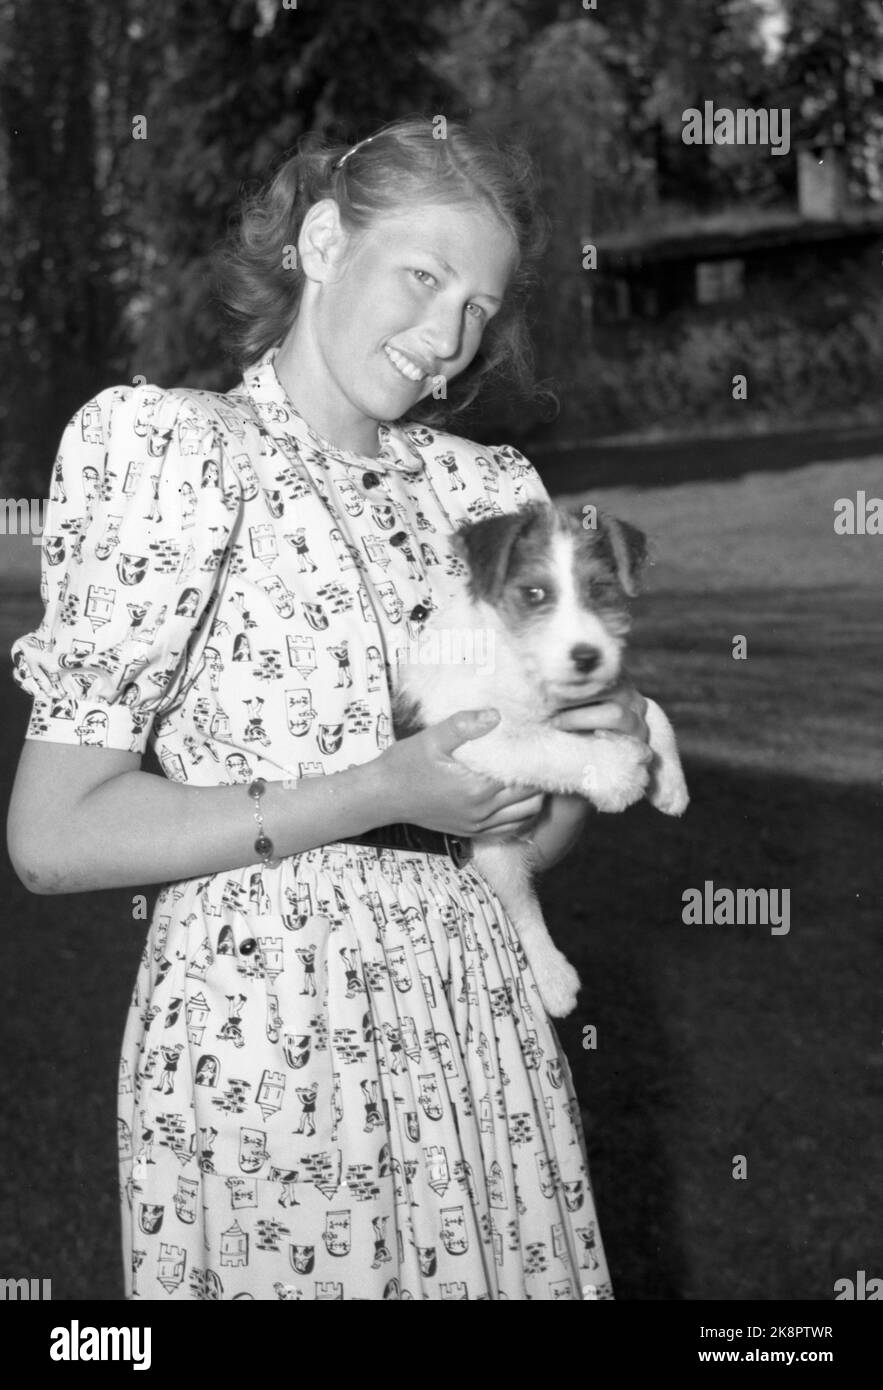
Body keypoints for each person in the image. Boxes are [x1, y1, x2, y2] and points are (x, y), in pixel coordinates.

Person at [7, 115, 649, 1300]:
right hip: (266, 1052)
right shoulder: (173, 455)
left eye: (478, 307)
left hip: (478, 1042)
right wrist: (378, 791)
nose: (445, 337)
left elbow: (527, 841)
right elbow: (52, 840)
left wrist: (561, 770)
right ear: (319, 241)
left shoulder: (488, 492)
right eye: (423, 275)